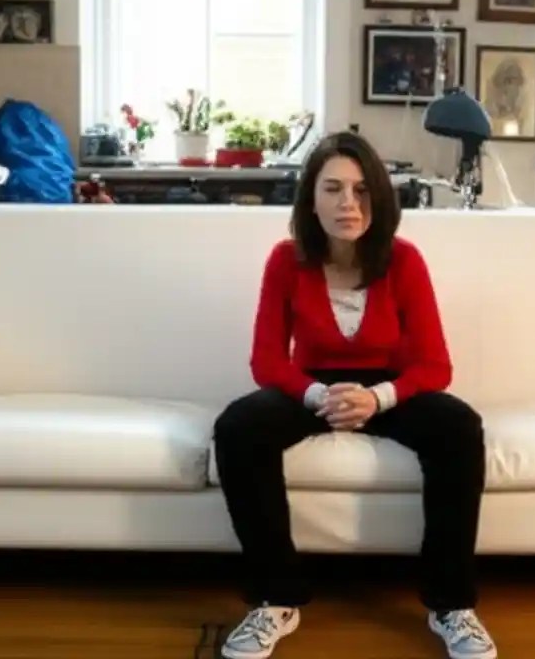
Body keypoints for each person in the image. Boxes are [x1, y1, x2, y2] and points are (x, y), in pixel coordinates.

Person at [212, 131, 496, 659]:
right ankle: (278, 596)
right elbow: (267, 362)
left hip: (389, 385)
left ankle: (451, 604)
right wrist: (319, 394)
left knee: (458, 427)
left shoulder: (404, 261)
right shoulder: (285, 261)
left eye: (362, 190)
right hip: (313, 386)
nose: (348, 203)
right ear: (311, 199)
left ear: (380, 198)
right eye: (333, 188)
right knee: (238, 427)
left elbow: (436, 365)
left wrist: (380, 398)